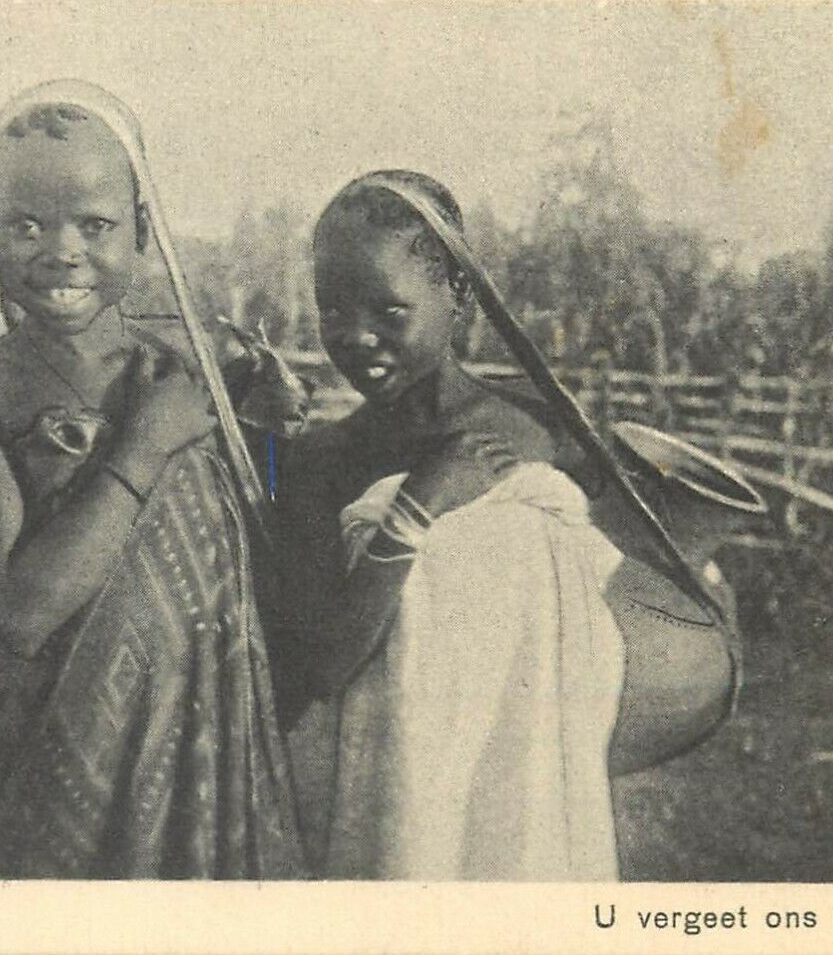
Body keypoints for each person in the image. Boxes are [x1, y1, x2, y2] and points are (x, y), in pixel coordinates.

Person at [0, 80, 304, 879]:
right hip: (50, 746)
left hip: (196, 736)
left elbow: (253, 536)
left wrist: (265, 432)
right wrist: (144, 445)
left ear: (140, 230)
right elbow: (21, 612)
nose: (61, 250)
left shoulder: (188, 363)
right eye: (26, 223)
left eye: (93, 225)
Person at [265, 170, 628, 881]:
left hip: (520, 786)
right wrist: (418, 506)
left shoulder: (536, 427)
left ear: (459, 295)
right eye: (333, 310)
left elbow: (600, 601)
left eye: (389, 310)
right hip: (395, 814)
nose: (357, 335)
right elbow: (323, 661)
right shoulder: (323, 461)